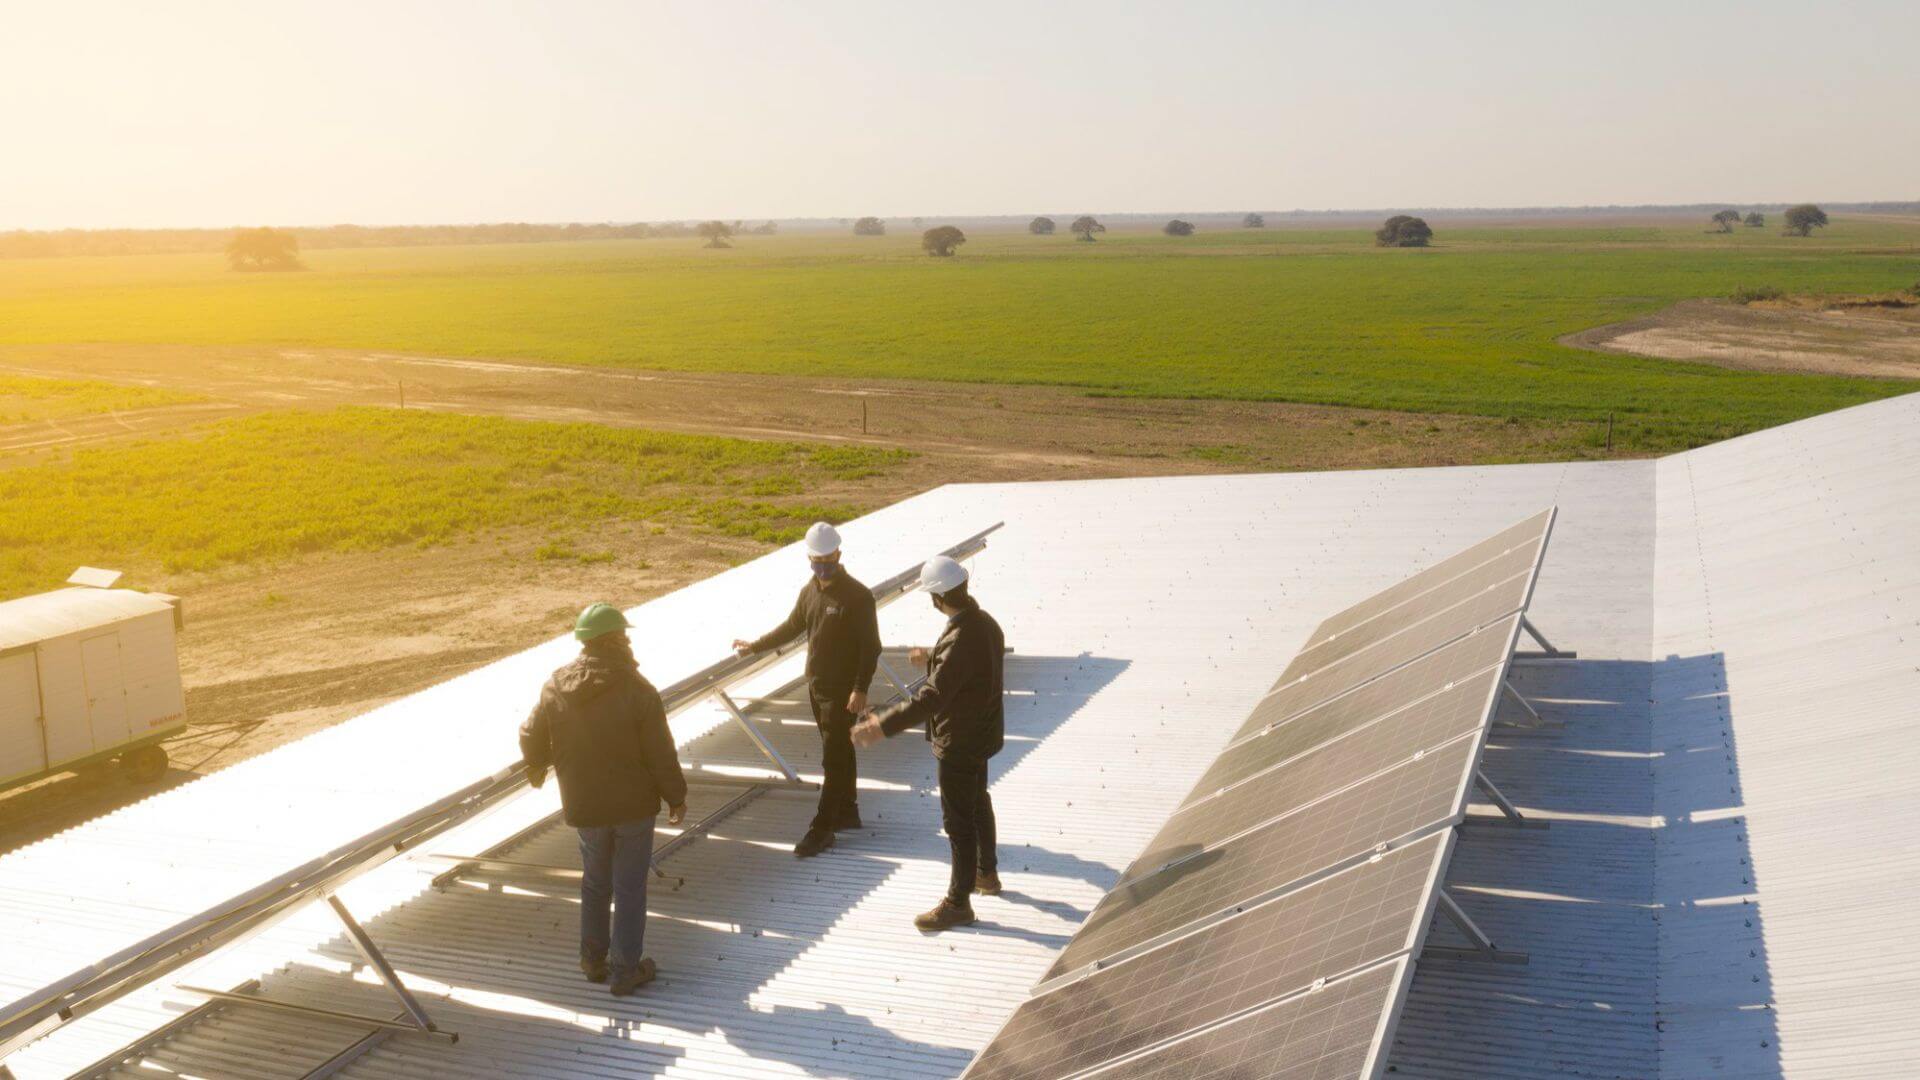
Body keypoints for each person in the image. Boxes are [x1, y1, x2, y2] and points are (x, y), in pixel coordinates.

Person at [520, 602, 688, 996]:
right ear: (617, 640)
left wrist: (537, 764)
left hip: (586, 807)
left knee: (595, 884)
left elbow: (529, 734)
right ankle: (625, 969)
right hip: (633, 808)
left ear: (585, 642)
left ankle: (592, 960)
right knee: (629, 888)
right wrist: (676, 797)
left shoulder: (555, 685)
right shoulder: (638, 689)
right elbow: (660, 753)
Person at [853, 555, 1004, 931]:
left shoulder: (960, 639)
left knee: (958, 823)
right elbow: (969, 663)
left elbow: (931, 698)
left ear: (937, 598)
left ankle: (958, 903)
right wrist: (935, 657)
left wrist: (882, 725)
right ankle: (986, 874)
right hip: (982, 734)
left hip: (959, 741)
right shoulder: (985, 623)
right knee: (978, 801)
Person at [733, 521, 882, 858]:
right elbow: (792, 626)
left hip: (842, 692)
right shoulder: (809, 592)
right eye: (818, 560)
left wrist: (860, 688)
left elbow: (870, 647)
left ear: (839, 554)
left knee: (833, 757)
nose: (823, 566)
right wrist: (755, 646)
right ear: (810, 559)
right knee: (841, 749)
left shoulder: (858, 596)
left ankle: (822, 827)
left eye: (829, 559)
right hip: (817, 687)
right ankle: (847, 810)